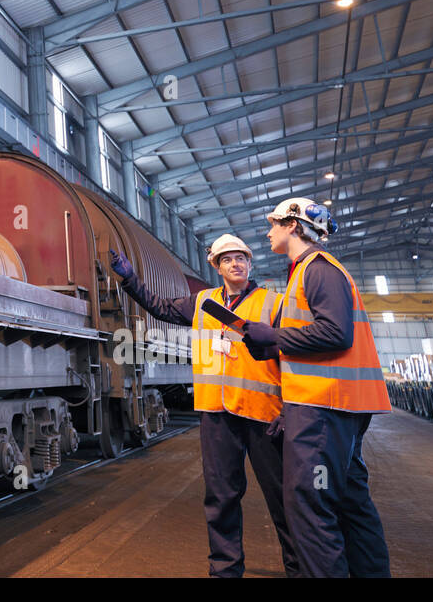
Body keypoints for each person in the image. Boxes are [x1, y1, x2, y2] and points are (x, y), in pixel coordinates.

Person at [110, 236, 299, 578]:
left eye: (241, 258)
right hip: (216, 415)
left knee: (283, 498)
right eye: (227, 260)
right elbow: (160, 307)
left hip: (263, 414)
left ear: (250, 264)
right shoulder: (202, 303)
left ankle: (299, 569)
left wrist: (289, 409)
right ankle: (225, 569)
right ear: (217, 267)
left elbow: (292, 358)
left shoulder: (274, 303)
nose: (235, 264)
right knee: (221, 497)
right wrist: (130, 280)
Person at [239, 196, 391, 578]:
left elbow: (336, 333)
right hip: (330, 411)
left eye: (274, 223)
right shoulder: (306, 272)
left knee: (310, 504)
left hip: (324, 411)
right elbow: (319, 337)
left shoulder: (317, 269)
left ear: (293, 226)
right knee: (350, 502)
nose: (268, 230)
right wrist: (273, 345)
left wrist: (274, 335)